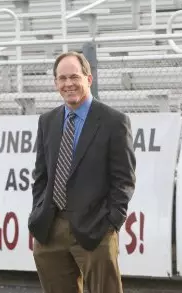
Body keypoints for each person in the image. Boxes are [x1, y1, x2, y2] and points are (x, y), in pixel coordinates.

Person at [28, 51, 136, 293]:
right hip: (50, 230)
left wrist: (111, 224)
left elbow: (124, 180)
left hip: (96, 229)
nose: (68, 84)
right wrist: (38, 212)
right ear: (55, 83)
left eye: (74, 77)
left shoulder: (113, 121)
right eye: (62, 78)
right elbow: (41, 176)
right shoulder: (47, 121)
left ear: (89, 79)